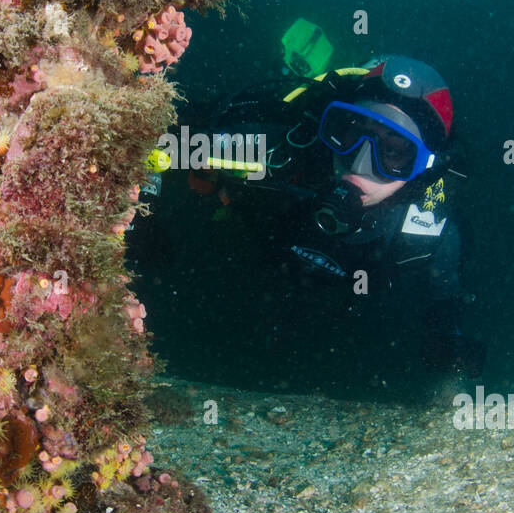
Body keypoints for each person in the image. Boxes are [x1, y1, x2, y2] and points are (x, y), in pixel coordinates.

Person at [181, 54, 485, 386]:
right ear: (332, 126)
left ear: (422, 169)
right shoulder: (285, 150)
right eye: (353, 133)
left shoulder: (428, 233)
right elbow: (169, 136)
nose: (359, 163)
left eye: (395, 152)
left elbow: (443, 299)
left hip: (336, 336)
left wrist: (447, 343)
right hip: (235, 294)